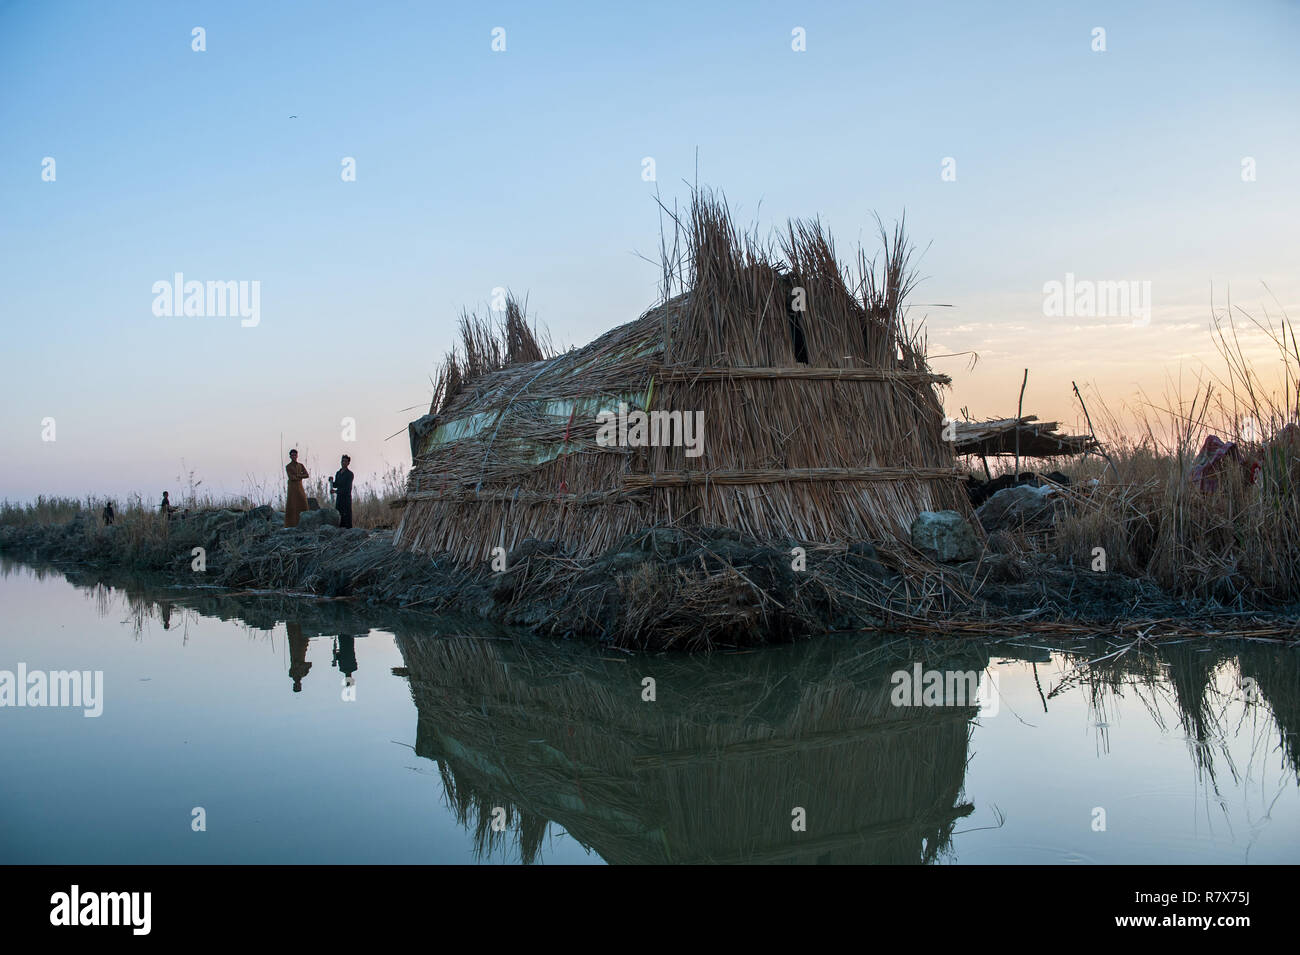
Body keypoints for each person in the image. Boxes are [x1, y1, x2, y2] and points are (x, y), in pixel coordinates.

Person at [329, 454, 354, 529]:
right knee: (339, 514)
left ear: (348, 463)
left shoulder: (349, 474)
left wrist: (335, 492)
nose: (343, 463)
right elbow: (336, 485)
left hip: (346, 498)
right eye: (342, 461)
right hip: (339, 498)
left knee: (346, 516)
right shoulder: (338, 473)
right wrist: (331, 481)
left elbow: (347, 488)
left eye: (345, 461)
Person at [285, 449, 309, 527]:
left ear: (297, 456)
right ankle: (291, 524)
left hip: (299, 487)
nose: (294, 457)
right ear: (290, 456)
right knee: (292, 504)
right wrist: (300, 476)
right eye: (292, 455)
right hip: (292, 488)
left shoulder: (300, 465)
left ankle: (303, 522)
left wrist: (298, 476)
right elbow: (292, 477)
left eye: (295, 455)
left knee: (303, 503)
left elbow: (306, 475)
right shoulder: (288, 466)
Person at [287, 622, 312, 692]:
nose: (298, 684)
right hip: (300, 652)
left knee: (295, 638)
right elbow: (310, 664)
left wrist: (300, 665)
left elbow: (297, 664)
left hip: (297, 652)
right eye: (299, 686)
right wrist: (301, 666)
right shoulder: (303, 673)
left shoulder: (292, 674)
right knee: (299, 639)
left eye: (297, 686)